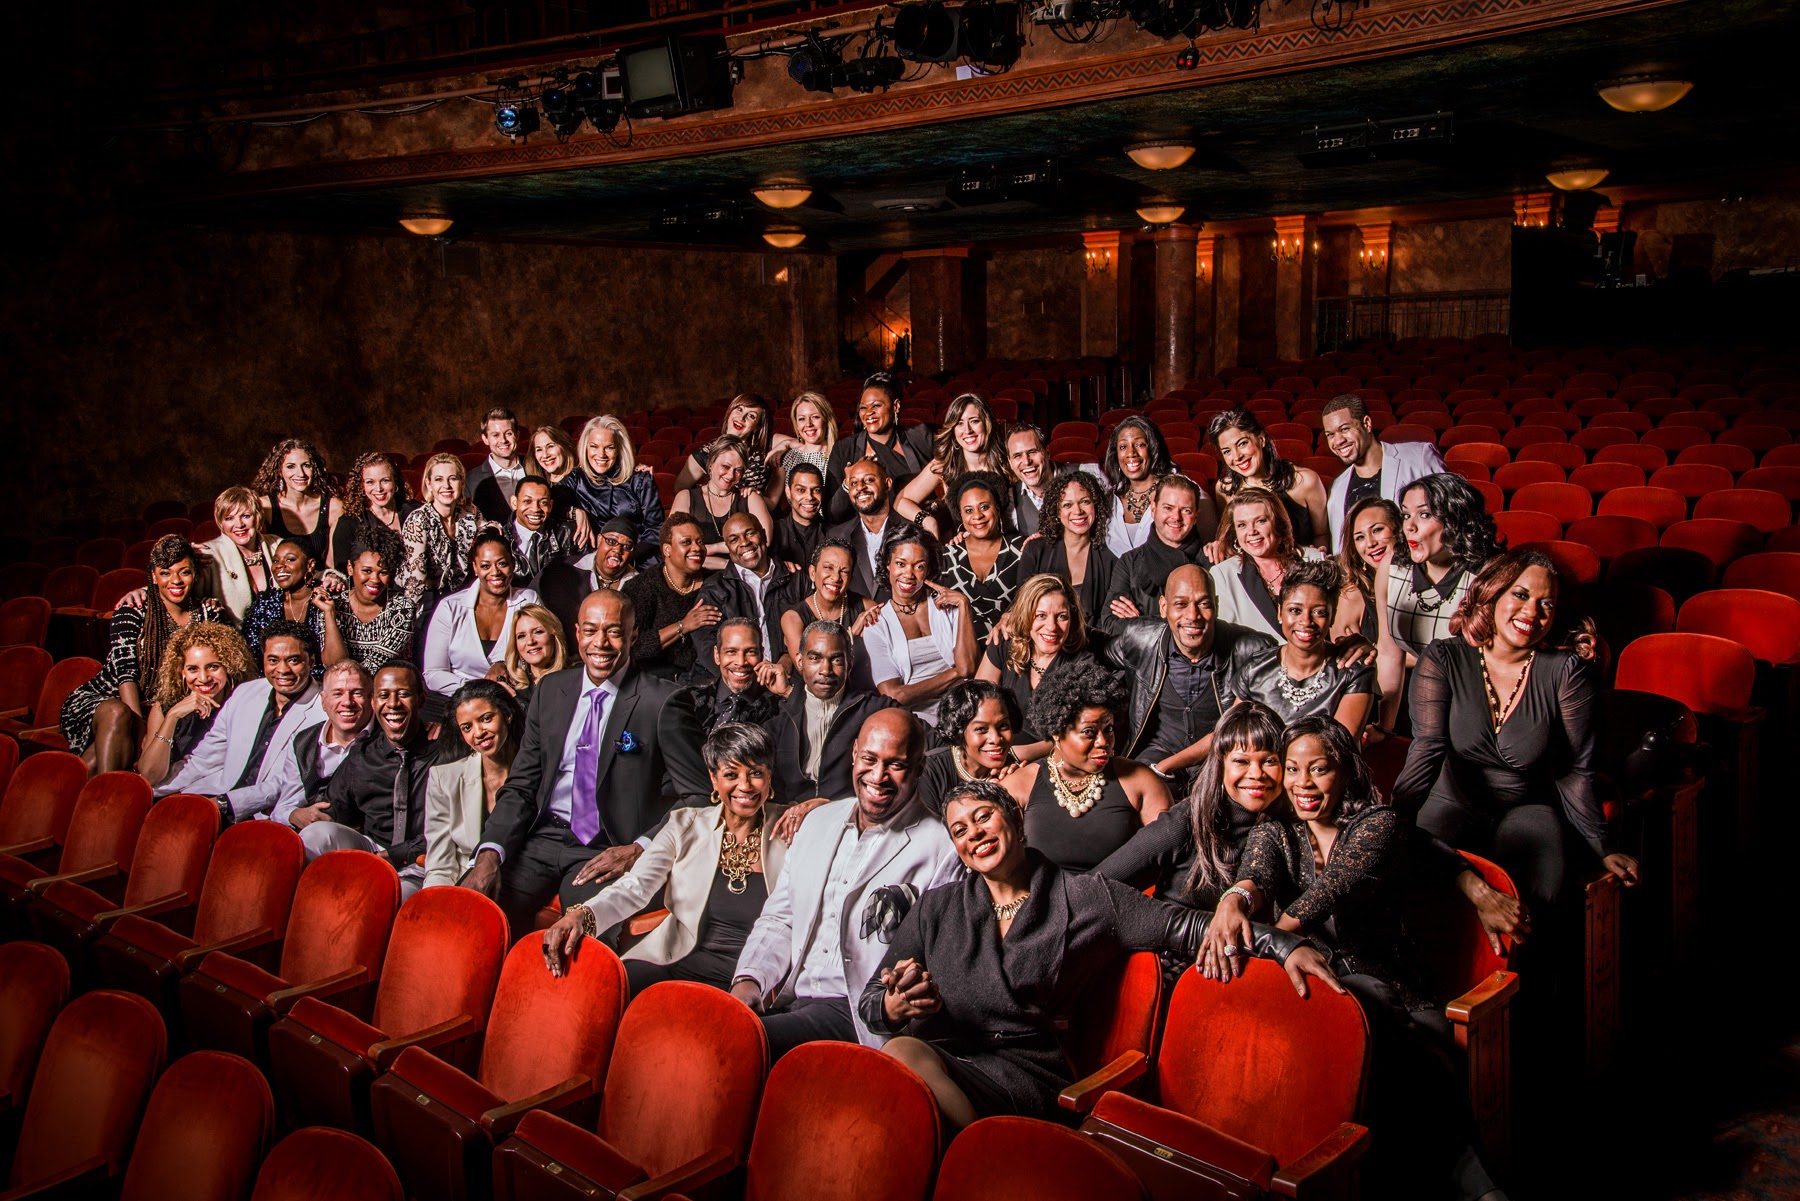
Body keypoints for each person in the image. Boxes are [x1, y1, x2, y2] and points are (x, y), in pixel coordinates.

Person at [862, 779, 1338, 1128]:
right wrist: (894, 1005)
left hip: (1022, 1074)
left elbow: (1188, 928)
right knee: (891, 1070)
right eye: (960, 830)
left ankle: (977, 1157)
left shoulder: (1086, 898)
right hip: (942, 1056)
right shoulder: (936, 907)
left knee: (900, 1057)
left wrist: (1284, 944)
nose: (974, 834)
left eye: (983, 817)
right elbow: (871, 1002)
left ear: (1016, 819)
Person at [1222, 716, 1506, 1201]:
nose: (1303, 783)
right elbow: (1256, 875)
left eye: (1319, 769)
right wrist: (1235, 898)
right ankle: (1476, 1186)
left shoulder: (1378, 825)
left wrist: (1263, 933)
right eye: (1292, 769)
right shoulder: (1275, 831)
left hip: (1400, 996)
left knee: (1389, 1041)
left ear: (1346, 771)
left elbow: (1324, 896)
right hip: (1315, 997)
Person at [1392, 550, 1635, 944]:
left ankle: (1516, 978)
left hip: (1527, 807)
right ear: (1493, 594)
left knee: (1540, 891)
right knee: (1417, 877)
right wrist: (1395, 820)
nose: (1532, 612)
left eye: (1546, 604)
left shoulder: (1565, 672)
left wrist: (1602, 845)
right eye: (1520, 595)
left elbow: (1576, 769)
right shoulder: (1443, 658)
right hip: (1451, 801)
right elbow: (1427, 749)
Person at [458, 589, 711, 937]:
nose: (600, 643)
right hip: (541, 838)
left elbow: (698, 796)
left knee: (581, 940)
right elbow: (521, 785)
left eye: (614, 631)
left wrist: (638, 848)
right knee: (469, 915)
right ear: (577, 633)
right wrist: (489, 852)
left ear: (633, 635)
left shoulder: (663, 701)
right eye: (590, 631)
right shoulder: (551, 690)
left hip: (606, 848)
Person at [731, 708, 959, 1056]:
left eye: (896, 765)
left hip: (859, 1016)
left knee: (739, 1044)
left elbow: (938, 961)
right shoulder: (816, 822)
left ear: (919, 768)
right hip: (794, 1000)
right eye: (869, 759)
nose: (878, 776)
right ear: (854, 753)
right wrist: (750, 979)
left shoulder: (942, 848)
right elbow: (781, 917)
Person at [545, 722, 790, 994]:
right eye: (731, 774)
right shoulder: (684, 824)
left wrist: (819, 805)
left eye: (755, 773)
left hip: (751, 979)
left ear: (769, 777)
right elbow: (635, 886)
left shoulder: (792, 828)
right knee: (603, 989)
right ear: (713, 779)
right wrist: (582, 914)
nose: (744, 786)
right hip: (679, 961)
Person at [1096, 702, 1289, 912]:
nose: (1257, 774)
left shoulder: (1292, 824)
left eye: (1270, 761)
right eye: (1241, 761)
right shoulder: (1187, 820)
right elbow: (1093, 887)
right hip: (1175, 930)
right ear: (1221, 765)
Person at [64, 535, 229, 772]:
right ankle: (110, 792)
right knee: (118, 715)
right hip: (111, 700)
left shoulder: (208, 613)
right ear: (153, 576)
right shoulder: (133, 610)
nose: (176, 580)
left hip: (161, 706)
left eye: (184, 572)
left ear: (195, 573)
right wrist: (140, 726)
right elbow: (125, 675)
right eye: (165, 573)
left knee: (105, 756)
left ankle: (86, 790)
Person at [1102, 564, 1274, 786]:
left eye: (1203, 604)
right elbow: (1094, 650)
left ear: (1216, 605)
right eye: (1180, 604)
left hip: (1219, 758)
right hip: (1156, 754)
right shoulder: (1141, 638)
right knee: (1129, 795)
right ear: (1163, 607)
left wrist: (1331, 652)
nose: (1193, 616)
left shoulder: (1252, 650)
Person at [997, 660, 1168, 872]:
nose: (1103, 742)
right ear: (1056, 732)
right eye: (1089, 732)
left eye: (1108, 729)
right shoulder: (1018, 785)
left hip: (1119, 891)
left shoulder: (1140, 780)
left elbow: (1169, 857)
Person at [152, 620, 322, 822]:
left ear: (311, 662)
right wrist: (154, 791)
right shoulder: (246, 693)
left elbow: (288, 782)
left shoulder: (323, 710)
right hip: (214, 796)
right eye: (273, 660)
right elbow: (203, 760)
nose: (282, 669)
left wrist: (226, 803)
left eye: (293, 660)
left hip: (264, 814)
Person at [302, 663, 442, 898]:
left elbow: (450, 829)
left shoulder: (445, 752)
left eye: (403, 694)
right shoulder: (363, 755)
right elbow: (333, 808)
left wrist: (391, 857)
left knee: (383, 896)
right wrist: (304, 815)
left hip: (421, 860)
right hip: (374, 848)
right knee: (315, 834)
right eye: (384, 696)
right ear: (373, 702)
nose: (393, 704)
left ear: (421, 699)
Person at [764, 620, 899, 828]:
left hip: (854, 825)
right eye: (815, 658)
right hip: (790, 829)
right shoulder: (778, 724)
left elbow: (931, 751)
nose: (825, 670)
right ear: (799, 661)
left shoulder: (875, 710)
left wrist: (841, 807)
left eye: (836, 660)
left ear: (850, 663)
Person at [1228, 560, 1376, 735]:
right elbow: (1230, 735)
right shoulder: (1255, 669)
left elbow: (1340, 744)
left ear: (1332, 615)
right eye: (1295, 610)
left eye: (1319, 612)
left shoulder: (1353, 669)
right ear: (1280, 613)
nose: (1306, 622)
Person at [1376, 472, 1502, 665]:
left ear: (1455, 518)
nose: (1409, 526)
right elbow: (1388, 652)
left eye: (1424, 515)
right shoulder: (1391, 567)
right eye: (1406, 515)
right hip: (1412, 679)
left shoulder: (1486, 577)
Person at [862, 530, 977, 729]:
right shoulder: (877, 625)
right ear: (888, 564)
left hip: (963, 708)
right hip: (915, 719)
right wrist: (955, 673)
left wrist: (964, 604)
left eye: (919, 566)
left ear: (928, 569)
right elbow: (894, 695)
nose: (908, 574)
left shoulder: (948, 606)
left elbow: (968, 667)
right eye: (901, 564)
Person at [423, 679, 524, 889]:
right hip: (467, 885)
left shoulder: (535, 772)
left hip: (522, 883)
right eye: (467, 727)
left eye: (486, 718)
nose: (478, 733)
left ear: (507, 714)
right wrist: (437, 900)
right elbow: (440, 866)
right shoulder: (443, 778)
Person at [975, 573, 1086, 762]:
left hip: (1048, 757)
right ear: (1025, 615)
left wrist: (1015, 755)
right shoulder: (1005, 641)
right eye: (1040, 616)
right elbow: (976, 704)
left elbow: (1075, 737)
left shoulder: (1083, 665)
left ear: (1072, 619)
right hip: (996, 744)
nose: (1051, 627)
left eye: (1062, 616)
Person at [134, 622, 257, 787]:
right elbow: (149, 776)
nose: (204, 678)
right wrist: (172, 717)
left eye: (213, 667)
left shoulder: (243, 704)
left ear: (229, 666)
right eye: (193, 669)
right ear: (182, 672)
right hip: (174, 794)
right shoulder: (165, 707)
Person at [1321, 393, 1447, 552]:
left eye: (1345, 429)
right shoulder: (1337, 487)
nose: (1338, 441)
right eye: (1330, 435)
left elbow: (1452, 514)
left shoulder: (1419, 457)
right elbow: (1341, 550)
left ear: (1367, 424)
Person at [422, 531, 541, 696]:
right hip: (461, 698)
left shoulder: (528, 600)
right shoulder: (450, 607)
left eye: (502, 564)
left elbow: (542, 652)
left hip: (515, 696)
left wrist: (505, 665)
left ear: (513, 564)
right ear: (475, 568)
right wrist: (480, 689)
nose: (495, 572)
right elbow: (433, 673)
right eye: (485, 566)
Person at [265, 659, 375, 830]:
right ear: (323, 701)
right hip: (310, 835)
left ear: (371, 698)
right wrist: (295, 815)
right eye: (337, 694)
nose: (347, 702)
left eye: (357, 693)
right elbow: (283, 808)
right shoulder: (303, 742)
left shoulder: (387, 739)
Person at [1208, 487, 1327, 641]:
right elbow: (1227, 639)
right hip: (1259, 656)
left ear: (1278, 523)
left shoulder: (1314, 559)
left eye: (1260, 521)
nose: (1252, 531)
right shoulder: (1223, 575)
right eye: (1242, 525)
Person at [691, 512, 796, 675]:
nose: (744, 542)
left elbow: (809, 633)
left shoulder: (795, 579)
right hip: (737, 679)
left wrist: (788, 660)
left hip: (788, 676)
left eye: (750, 533)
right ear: (728, 547)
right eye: (734, 540)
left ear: (763, 534)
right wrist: (742, 676)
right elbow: (707, 647)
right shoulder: (714, 589)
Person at [1209, 408, 1330, 550]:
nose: (1237, 456)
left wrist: (1318, 557)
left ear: (1261, 439)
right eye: (1227, 451)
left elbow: (1321, 534)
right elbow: (1230, 539)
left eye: (1242, 444)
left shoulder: (1305, 480)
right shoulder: (1225, 489)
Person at [894, 394, 1013, 535]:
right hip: (965, 544)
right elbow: (901, 501)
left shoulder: (1007, 460)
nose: (967, 430)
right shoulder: (945, 464)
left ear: (987, 423)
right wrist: (927, 520)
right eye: (959, 423)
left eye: (974, 421)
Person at [824, 372, 934, 524]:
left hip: (917, 525)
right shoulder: (844, 449)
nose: (869, 413)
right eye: (863, 407)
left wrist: (938, 503)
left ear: (895, 406)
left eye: (876, 405)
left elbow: (945, 478)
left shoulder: (920, 437)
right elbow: (832, 514)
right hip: (868, 530)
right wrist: (847, 483)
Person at [1018, 467, 1119, 630]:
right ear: (1057, 512)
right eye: (1067, 505)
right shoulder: (1035, 550)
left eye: (1085, 502)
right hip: (1042, 639)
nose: (1077, 511)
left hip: (1093, 642)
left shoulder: (1110, 558)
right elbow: (1020, 608)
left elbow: (1110, 620)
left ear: (1095, 506)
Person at [621, 515, 716, 682]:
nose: (697, 548)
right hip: (655, 681)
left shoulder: (715, 584)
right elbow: (632, 647)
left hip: (707, 679)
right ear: (667, 550)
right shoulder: (641, 587)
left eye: (700, 542)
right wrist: (683, 625)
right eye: (686, 542)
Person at [1108, 474, 1212, 621]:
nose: (1176, 517)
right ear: (1153, 509)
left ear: (1195, 517)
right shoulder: (1129, 562)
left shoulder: (1211, 559)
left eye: (1186, 510)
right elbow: (1110, 622)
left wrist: (1139, 622)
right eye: (1168, 508)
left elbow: (1219, 621)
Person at [564, 416, 664, 561]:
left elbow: (655, 530)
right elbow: (548, 503)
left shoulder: (640, 480)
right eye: (594, 446)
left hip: (636, 557)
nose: (601, 454)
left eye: (609, 447)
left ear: (619, 449)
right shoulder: (576, 478)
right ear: (585, 447)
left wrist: (624, 558)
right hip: (590, 556)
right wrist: (575, 512)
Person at [915, 680, 1019, 818]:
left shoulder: (1013, 772)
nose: (996, 738)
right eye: (981, 729)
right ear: (958, 732)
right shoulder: (929, 771)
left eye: (1003, 726)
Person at [939, 473, 1022, 642]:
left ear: (997, 507)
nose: (977, 516)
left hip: (1014, 646)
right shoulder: (946, 557)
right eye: (969, 510)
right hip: (961, 649)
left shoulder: (1023, 549)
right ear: (960, 515)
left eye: (984, 507)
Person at [671, 435, 773, 570]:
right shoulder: (685, 497)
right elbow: (676, 549)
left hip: (743, 574)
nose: (731, 475)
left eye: (738, 470)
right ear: (711, 464)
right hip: (698, 573)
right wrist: (726, 564)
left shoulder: (750, 497)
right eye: (726, 466)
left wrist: (713, 548)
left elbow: (765, 540)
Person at [319, 532, 416, 675]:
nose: (375, 579)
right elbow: (334, 664)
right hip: (344, 684)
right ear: (350, 568)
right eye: (367, 571)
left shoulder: (402, 608)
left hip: (387, 684)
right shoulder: (334, 604)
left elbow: (373, 666)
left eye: (383, 572)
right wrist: (329, 613)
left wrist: (347, 678)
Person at [397, 452, 483, 611]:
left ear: (462, 482)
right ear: (429, 484)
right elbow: (416, 580)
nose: (447, 486)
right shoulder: (418, 520)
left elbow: (488, 527)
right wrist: (410, 617)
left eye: (452, 478)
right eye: (438, 479)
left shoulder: (469, 511)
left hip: (458, 593)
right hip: (424, 598)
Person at [539, 517, 639, 647]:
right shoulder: (561, 569)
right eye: (611, 541)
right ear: (599, 540)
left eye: (626, 546)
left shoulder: (639, 586)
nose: (617, 550)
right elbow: (533, 610)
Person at [777, 540, 877, 670]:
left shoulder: (867, 608)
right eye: (828, 567)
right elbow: (807, 670)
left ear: (850, 579)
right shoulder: (793, 618)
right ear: (812, 573)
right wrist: (850, 635)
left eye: (844, 571)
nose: (836, 578)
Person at [239, 539, 327, 677]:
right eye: (275, 561)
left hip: (320, 684)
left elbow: (337, 660)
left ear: (310, 565)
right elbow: (251, 657)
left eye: (290, 559)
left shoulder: (326, 601)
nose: (279, 565)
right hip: (273, 682)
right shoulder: (264, 604)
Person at [195, 486, 279, 622]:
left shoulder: (277, 546)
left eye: (246, 516)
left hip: (280, 632)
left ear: (257, 517)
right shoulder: (208, 554)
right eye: (229, 518)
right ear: (220, 522)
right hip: (231, 634)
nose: (239, 525)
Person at [824, 458, 904, 601]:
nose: (860, 487)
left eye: (869, 480)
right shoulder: (837, 536)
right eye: (854, 483)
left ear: (887, 484)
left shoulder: (910, 531)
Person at [254, 438, 343, 566]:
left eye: (306, 465)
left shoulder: (334, 507)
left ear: (315, 469)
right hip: (277, 577)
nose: (300, 473)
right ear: (279, 471)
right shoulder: (265, 506)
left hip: (320, 576)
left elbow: (332, 564)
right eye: (291, 466)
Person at [686, 617, 785, 732]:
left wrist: (786, 692)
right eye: (731, 652)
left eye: (750, 652)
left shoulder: (779, 704)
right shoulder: (689, 699)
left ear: (761, 654)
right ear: (717, 655)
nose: (741, 662)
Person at [332, 452, 419, 572]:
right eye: (370, 482)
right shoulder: (348, 523)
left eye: (385, 480)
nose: (379, 488)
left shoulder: (415, 511)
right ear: (361, 485)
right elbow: (341, 571)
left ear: (395, 481)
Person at [1334, 496, 1402, 645]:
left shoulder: (1421, 579)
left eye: (1377, 530)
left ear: (1399, 530)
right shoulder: (1352, 595)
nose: (1370, 543)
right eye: (1360, 537)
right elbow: (1343, 654)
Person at [677, 394, 775, 498]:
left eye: (751, 416)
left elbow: (787, 441)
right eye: (739, 409)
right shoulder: (704, 453)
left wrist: (755, 498)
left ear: (757, 427)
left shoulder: (767, 449)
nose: (742, 418)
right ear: (730, 412)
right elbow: (679, 490)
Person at [1101, 417, 1171, 558]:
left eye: (1140, 445)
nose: (1131, 453)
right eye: (1123, 447)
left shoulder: (1177, 491)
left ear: (1153, 448)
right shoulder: (1108, 499)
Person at [766, 391, 837, 510]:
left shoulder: (838, 454)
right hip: (798, 521)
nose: (808, 424)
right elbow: (771, 502)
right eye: (802, 419)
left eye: (815, 417)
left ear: (826, 419)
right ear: (797, 425)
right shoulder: (789, 457)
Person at [506, 476, 577, 591]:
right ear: (514, 503)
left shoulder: (569, 533)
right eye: (527, 501)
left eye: (543, 502)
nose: (535, 509)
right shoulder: (501, 539)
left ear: (550, 505)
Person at [463, 406, 530, 524]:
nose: (503, 440)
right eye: (495, 435)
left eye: (508, 433)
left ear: (517, 435)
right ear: (485, 439)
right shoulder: (471, 480)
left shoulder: (535, 466)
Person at [500, 601, 568, 711]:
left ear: (554, 636)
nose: (530, 641)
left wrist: (516, 701)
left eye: (538, 632)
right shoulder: (515, 688)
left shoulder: (574, 678)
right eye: (521, 636)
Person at [770, 461, 827, 569]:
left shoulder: (834, 533)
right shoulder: (774, 532)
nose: (809, 497)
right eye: (801, 490)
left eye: (816, 490)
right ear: (788, 491)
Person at [1003, 425, 1052, 537]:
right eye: (1017, 455)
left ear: (1047, 452)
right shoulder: (1010, 499)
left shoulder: (1085, 472)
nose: (1026, 461)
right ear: (1010, 462)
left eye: (1032, 452)